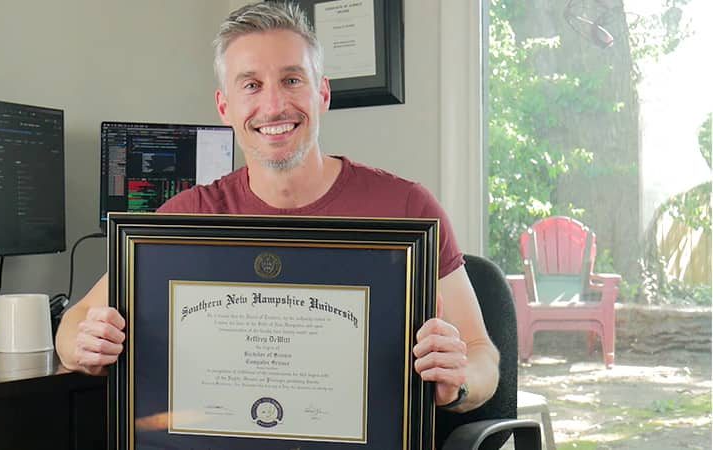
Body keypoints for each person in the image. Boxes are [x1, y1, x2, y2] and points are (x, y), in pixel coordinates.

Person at [56, 1, 499, 413]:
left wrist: (458, 382)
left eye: (292, 80)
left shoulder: (406, 207)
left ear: (322, 93)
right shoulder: (183, 219)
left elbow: (482, 355)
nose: (273, 105)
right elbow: (72, 324)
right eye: (251, 85)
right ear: (224, 106)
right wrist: (85, 343)